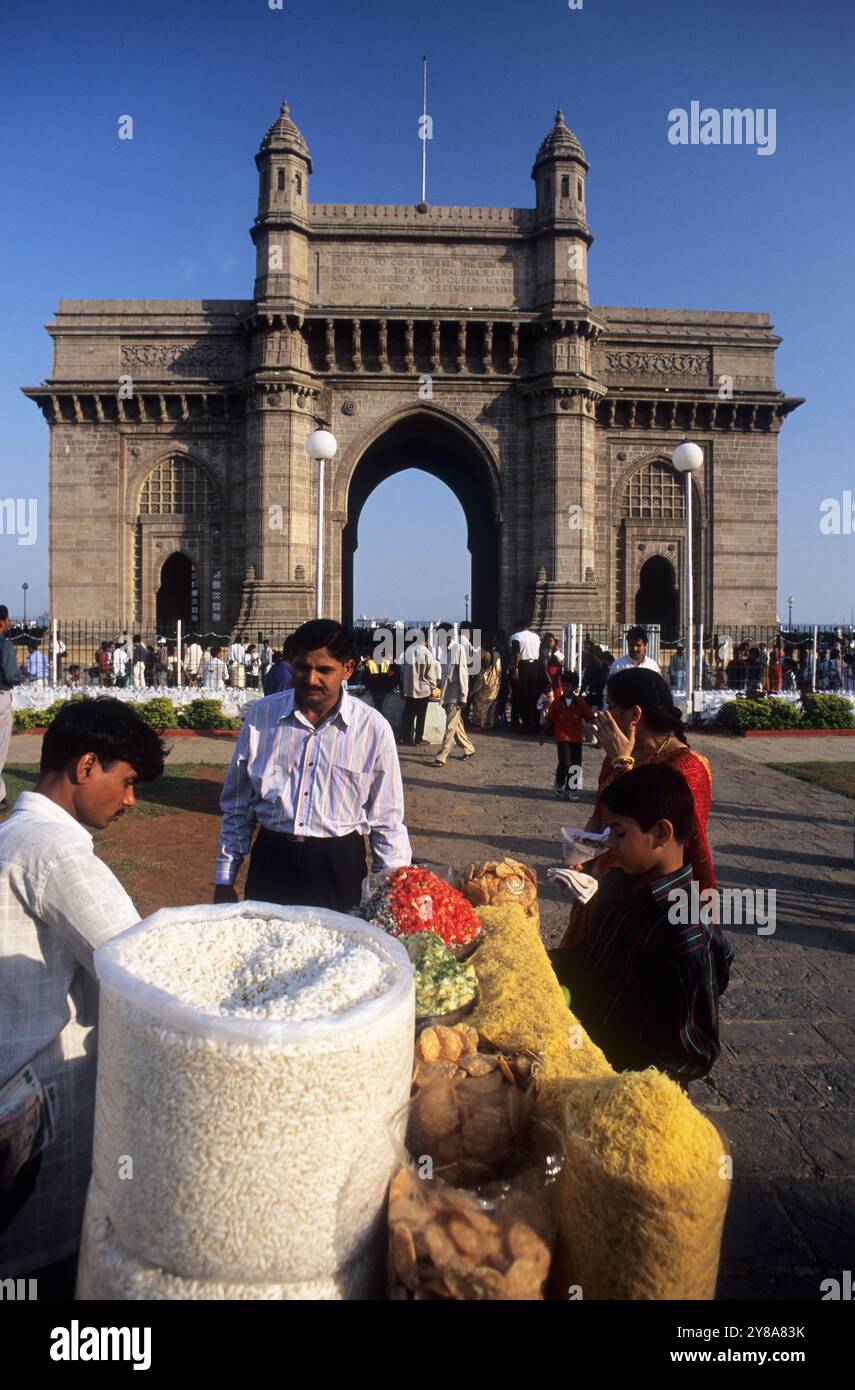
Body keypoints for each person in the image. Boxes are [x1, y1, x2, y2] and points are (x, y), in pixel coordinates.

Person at [0, 699, 165, 1295]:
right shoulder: (55, 851)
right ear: (86, 765)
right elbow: (140, 968)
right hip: (37, 1115)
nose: (129, 801)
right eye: (125, 783)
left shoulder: (16, 835)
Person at [214, 619, 411, 913]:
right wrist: (224, 878)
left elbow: (387, 821)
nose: (311, 679)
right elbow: (238, 806)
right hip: (272, 861)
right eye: (302, 667)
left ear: (348, 668)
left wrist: (397, 892)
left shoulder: (371, 729)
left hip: (338, 867)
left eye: (324, 670)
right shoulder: (262, 717)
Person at [551, 764, 732, 1082]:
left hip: (614, 1082)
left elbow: (695, 1052)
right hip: (575, 1049)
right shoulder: (618, 883)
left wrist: (625, 1085)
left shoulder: (688, 930)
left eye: (619, 833)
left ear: (661, 833)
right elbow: (588, 960)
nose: (609, 844)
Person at [559, 666, 716, 948]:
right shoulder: (615, 759)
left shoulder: (687, 767)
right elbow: (599, 818)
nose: (603, 715)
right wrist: (581, 856)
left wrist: (623, 763)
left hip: (655, 897)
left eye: (612, 707)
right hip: (608, 883)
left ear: (635, 715)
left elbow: (652, 833)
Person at [540, 670, 592, 801]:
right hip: (562, 737)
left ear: (574, 687)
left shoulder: (580, 703)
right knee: (565, 762)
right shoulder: (557, 702)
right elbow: (549, 719)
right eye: (564, 686)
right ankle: (559, 783)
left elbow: (590, 718)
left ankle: (571, 790)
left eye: (568, 686)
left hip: (576, 738)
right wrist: (543, 735)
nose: (566, 688)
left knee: (576, 764)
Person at [432, 626, 476, 766]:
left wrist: (463, 696)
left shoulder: (458, 650)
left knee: (450, 726)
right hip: (446, 692)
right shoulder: (444, 651)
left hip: (455, 693)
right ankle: (469, 748)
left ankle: (442, 755)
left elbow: (463, 674)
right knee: (456, 724)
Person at [399, 630, 441, 745]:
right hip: (423, 690)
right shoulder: (426, 652)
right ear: (425, 640)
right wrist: (433, 688)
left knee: (408, 714)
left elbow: (402, 672)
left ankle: (404, 738)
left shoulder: (408, 651)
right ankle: (418, 739)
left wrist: (403, 687)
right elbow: (431, 674)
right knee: (421, 716)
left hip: (409, 689)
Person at [0, 605, 23, 810]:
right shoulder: (4, 645)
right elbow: (9, 675)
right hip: (0, 696)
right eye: (7, 619)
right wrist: (18, 677)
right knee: (0, 747)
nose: (10, 622)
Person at [509, 620, 541, 729]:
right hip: (534, 666)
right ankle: (534, 720)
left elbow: (516, 653)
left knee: (520, 693)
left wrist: (516, 668)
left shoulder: (516, 636)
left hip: (522, 666)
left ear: (519, 626)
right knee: (532, 694)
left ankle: (523, 720)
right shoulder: (536, 637)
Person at [468, 643, 502, 731]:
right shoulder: (497, 654)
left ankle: (480, 723)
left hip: (484, 681)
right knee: (490, 703)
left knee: (480, 704)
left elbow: (473, 665)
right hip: (494, 683)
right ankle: (489, 723)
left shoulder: (483, 653)